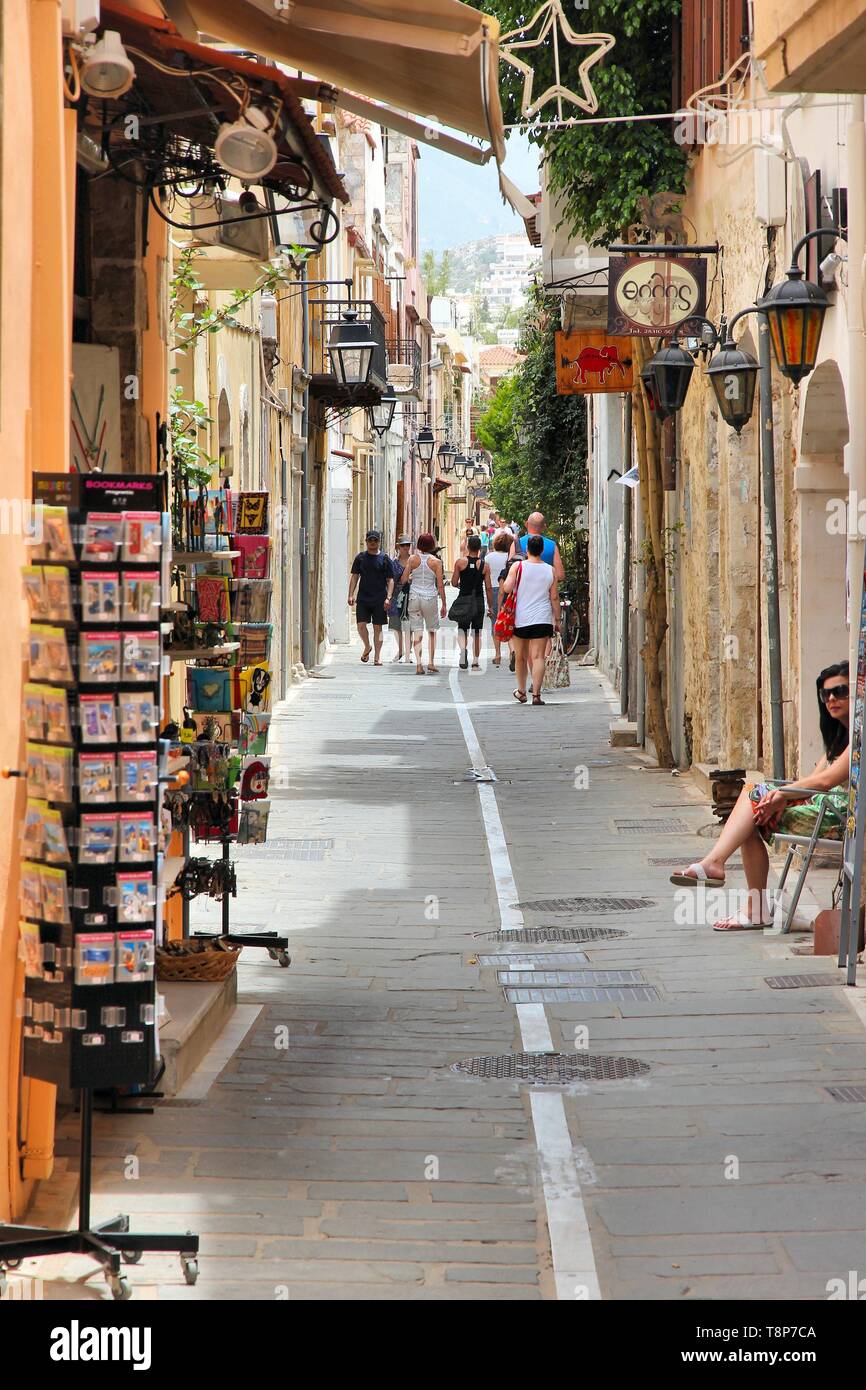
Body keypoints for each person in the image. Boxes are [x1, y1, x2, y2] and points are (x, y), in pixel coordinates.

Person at [670, 662, 851, 930]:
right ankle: (745, 899)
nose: (832, 699)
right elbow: (814, 779)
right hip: (820, 809)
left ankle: (718, 867)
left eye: (840, 691)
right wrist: (782, 796)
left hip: (839, 819)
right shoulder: (839, 738)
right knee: (751, 812)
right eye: (826, 695)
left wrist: (782, 795)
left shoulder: (859, 737)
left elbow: (825, 780)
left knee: (752, 804)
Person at [500, 533, 560, 704]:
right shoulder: (550, 570)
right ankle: (536, 694)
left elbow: (507, 587)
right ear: (541, 550)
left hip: (521, 618)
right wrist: (557, 620)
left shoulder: (518, 567)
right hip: (542, 618)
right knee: (538, 657)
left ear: (527, 549)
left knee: (521, 657)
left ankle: (521, 691)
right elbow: (554, 597)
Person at [402, 532, 447, 674]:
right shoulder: (436, 562)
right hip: (430, 598)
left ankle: (419, 665)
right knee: (432, 631)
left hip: (414, 598)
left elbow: (403, 579)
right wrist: (444, 604)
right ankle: (431, 662)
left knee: (417, 631)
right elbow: (440, 585)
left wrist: (410, 578)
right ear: (432, 545)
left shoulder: (412, 559)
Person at [348, 529, 393, 665]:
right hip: (363, 597)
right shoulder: (360, 558)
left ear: (379, 542)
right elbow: (355, 577)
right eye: (370, 540)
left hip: (380, 598)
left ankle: (377, 657)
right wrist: (351, 594)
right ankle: (367, 646)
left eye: (375, 540)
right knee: (361, 625)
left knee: (377, 627)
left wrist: (388, 598)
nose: (372, 542)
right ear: (366, 541)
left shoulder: (385, 559)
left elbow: (390, 580)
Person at [451, 535, 493, 669]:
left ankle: (463, 652)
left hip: (464, 599)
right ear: (480, 548)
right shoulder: (485, 566)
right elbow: (488, 588)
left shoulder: (460, 563)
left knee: (462, 629)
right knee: (477, 632)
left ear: (468, 547)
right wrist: (491, 606)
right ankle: (475, 661)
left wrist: (460, 585)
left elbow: (453, 582)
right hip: (478, 601)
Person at [509, 510, 566, 583]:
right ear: (544, 527)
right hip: (545, 592)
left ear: (526, 524)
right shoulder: (552, 545)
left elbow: (509, 570)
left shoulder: (516, 543)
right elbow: (560, 575)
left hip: (523, 591)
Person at [485, 530, 512, 667]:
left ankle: (497, 654)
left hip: (493, 590)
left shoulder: (489, 558)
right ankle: (512, 650)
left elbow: (486, 577)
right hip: (509, 589)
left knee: (495, 621)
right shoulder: (510, 557)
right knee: (511, 620)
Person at [387, 535, 412, 662]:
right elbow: (390, 579)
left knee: (410, 625)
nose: (406, 548)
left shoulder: (414, 561)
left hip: (411, 596)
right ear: (399, 547)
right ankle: (401, 650)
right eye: (403, 545)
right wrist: (389, 596)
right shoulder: (393, 563)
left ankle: (407, 652)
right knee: (397, 625)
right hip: (397, 596)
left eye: (408, 545)